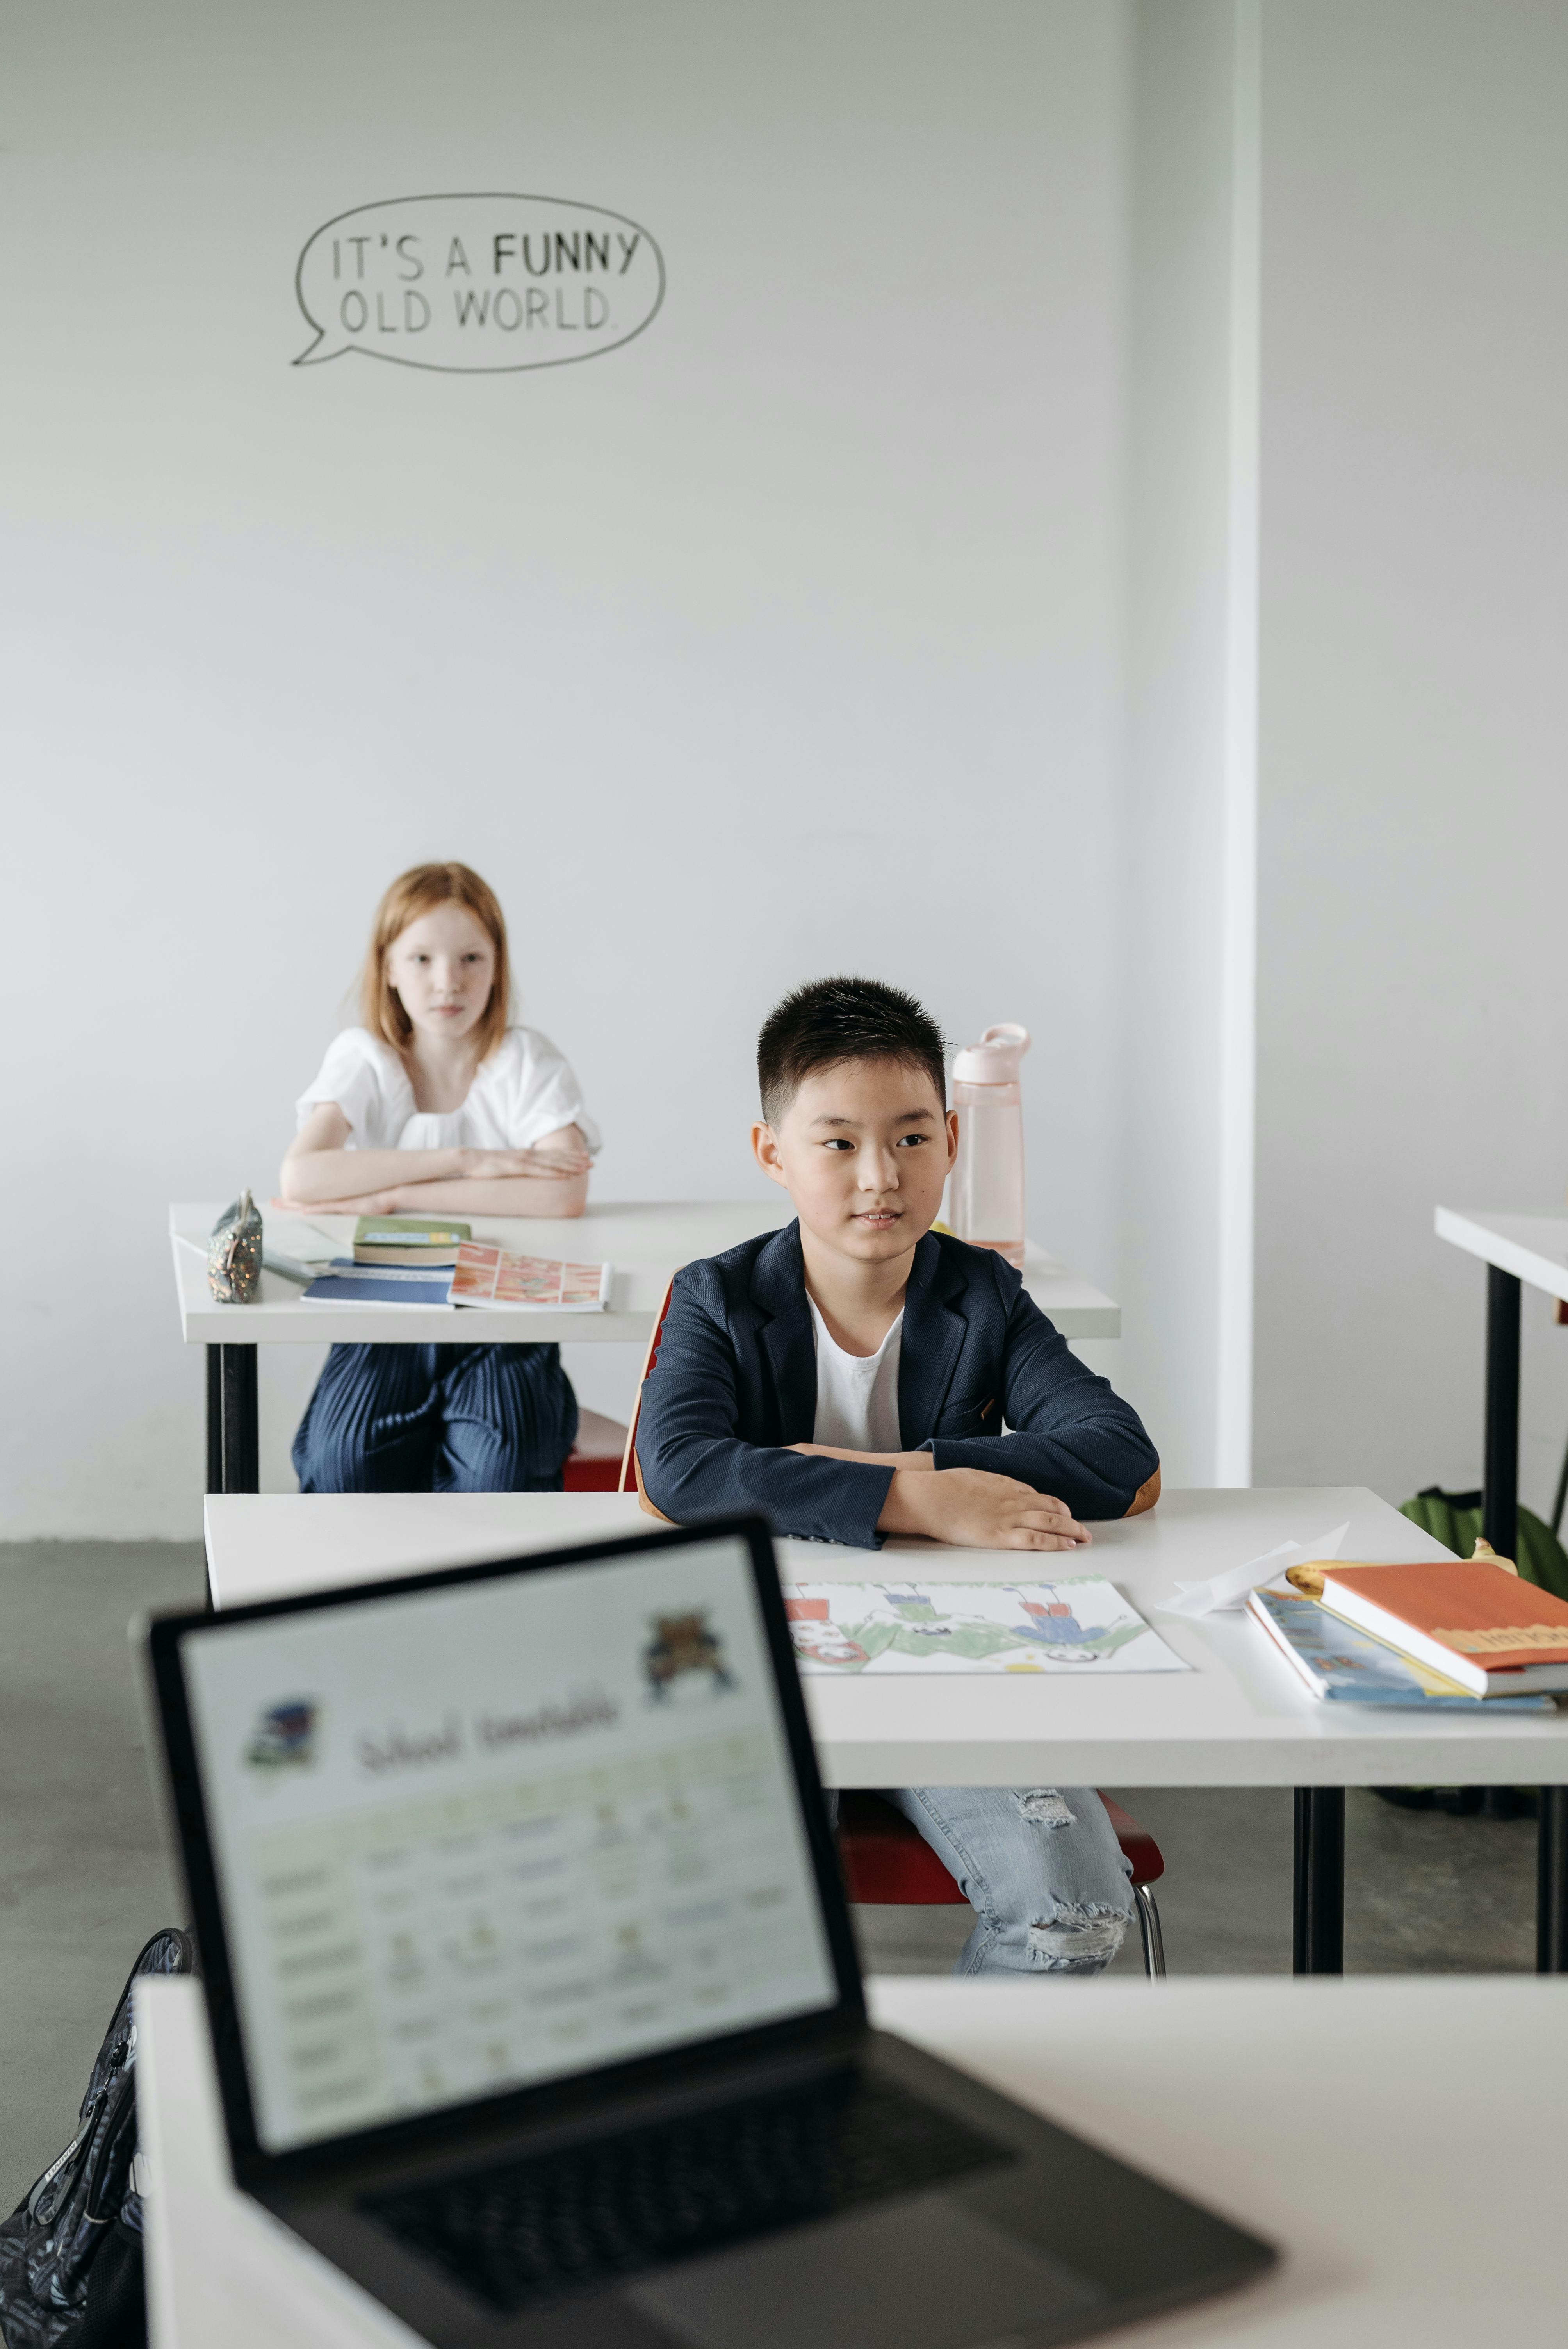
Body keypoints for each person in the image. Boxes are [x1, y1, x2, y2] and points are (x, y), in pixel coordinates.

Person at [634, 975, 1161, 1977]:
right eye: (837, 1141)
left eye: (911, 1137)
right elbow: (679, 1468)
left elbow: (1118, 1455)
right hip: (762, 1666)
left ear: (953, 1142)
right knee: (742, 1917)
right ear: (772, 1153)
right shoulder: (715, 1297)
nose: (879, 1173)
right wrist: (920, 1500)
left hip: (950, 1663)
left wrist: (892, 1465)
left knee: (1076, 1907)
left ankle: (979, 2126)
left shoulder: (984, 1295)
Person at [280, 861, 596, 1494]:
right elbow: (303, 1178)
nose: (447, 982)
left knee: (497, 1468)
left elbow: (564, 1192)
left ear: (497, 967)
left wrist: (392, 1195)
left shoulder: (524, 1059)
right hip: (384, 1315)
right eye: (421, 958)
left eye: (471, 958)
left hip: (503, 1317)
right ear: (388, 967)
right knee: (344, 1465)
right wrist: (469, 1161)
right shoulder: (363, 1057)